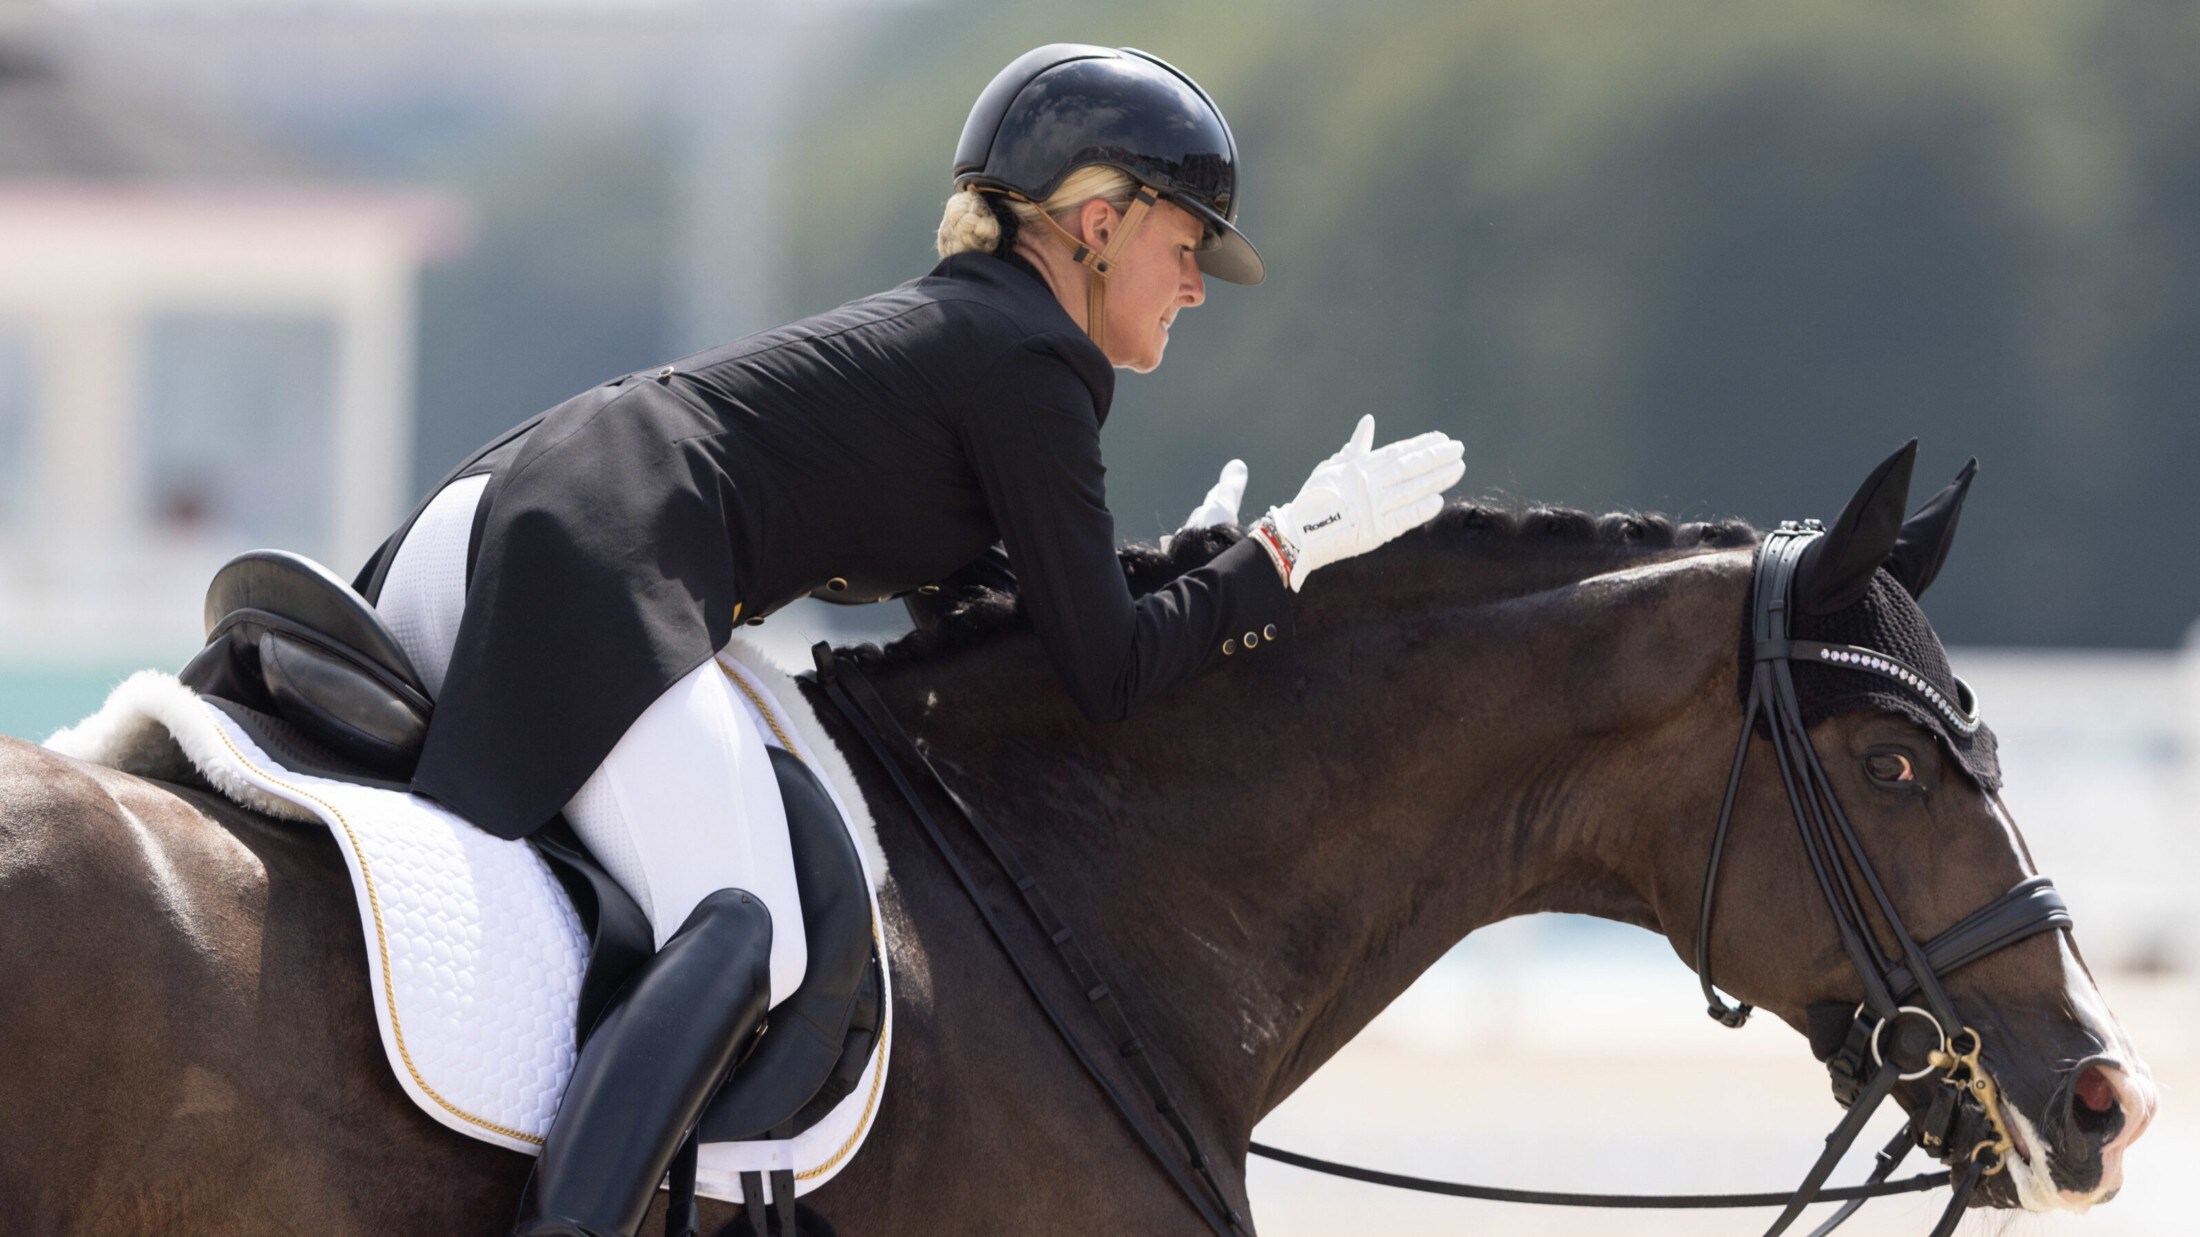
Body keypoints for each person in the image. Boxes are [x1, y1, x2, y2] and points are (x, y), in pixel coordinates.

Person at [355, 43, 1465, 1237]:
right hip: (594, 550)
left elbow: (1011, 626)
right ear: (1097, 222)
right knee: (745, 919)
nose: (1194, 285)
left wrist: (1196, 565)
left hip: (477, 526)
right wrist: (1284, 557)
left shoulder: (977, 338)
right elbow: (1110, 674)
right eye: (1185, 246)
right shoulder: (1038, 361)